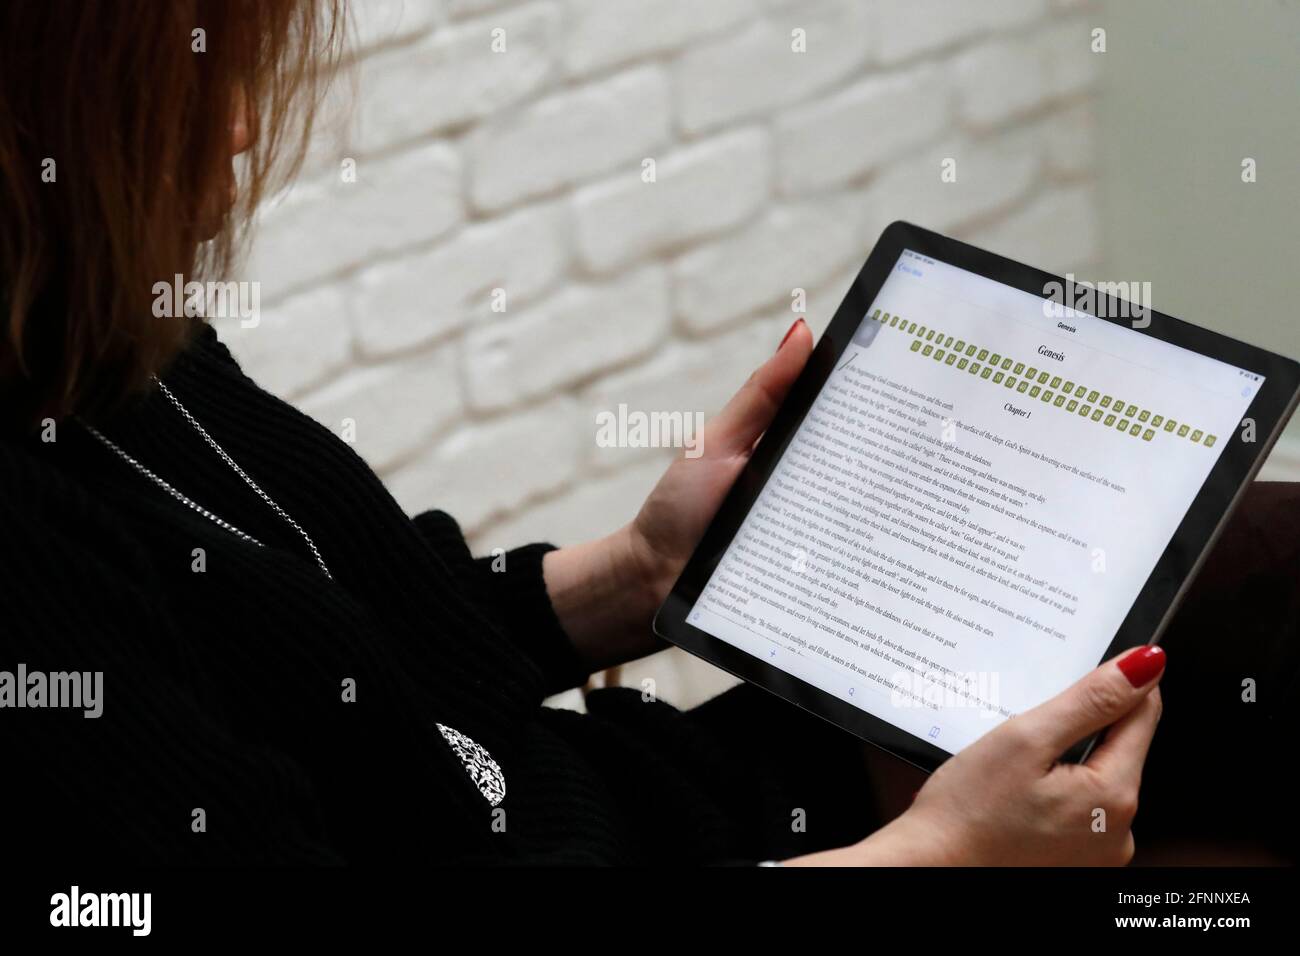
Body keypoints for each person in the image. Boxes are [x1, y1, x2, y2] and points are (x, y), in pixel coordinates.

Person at [0, 0, 1291, 866]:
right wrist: (933, 855)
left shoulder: (95, 327)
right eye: (179, 91)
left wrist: (645, 573)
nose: (235, 127)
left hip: (610, 793)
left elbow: (348, 636)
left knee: (1249, 571)